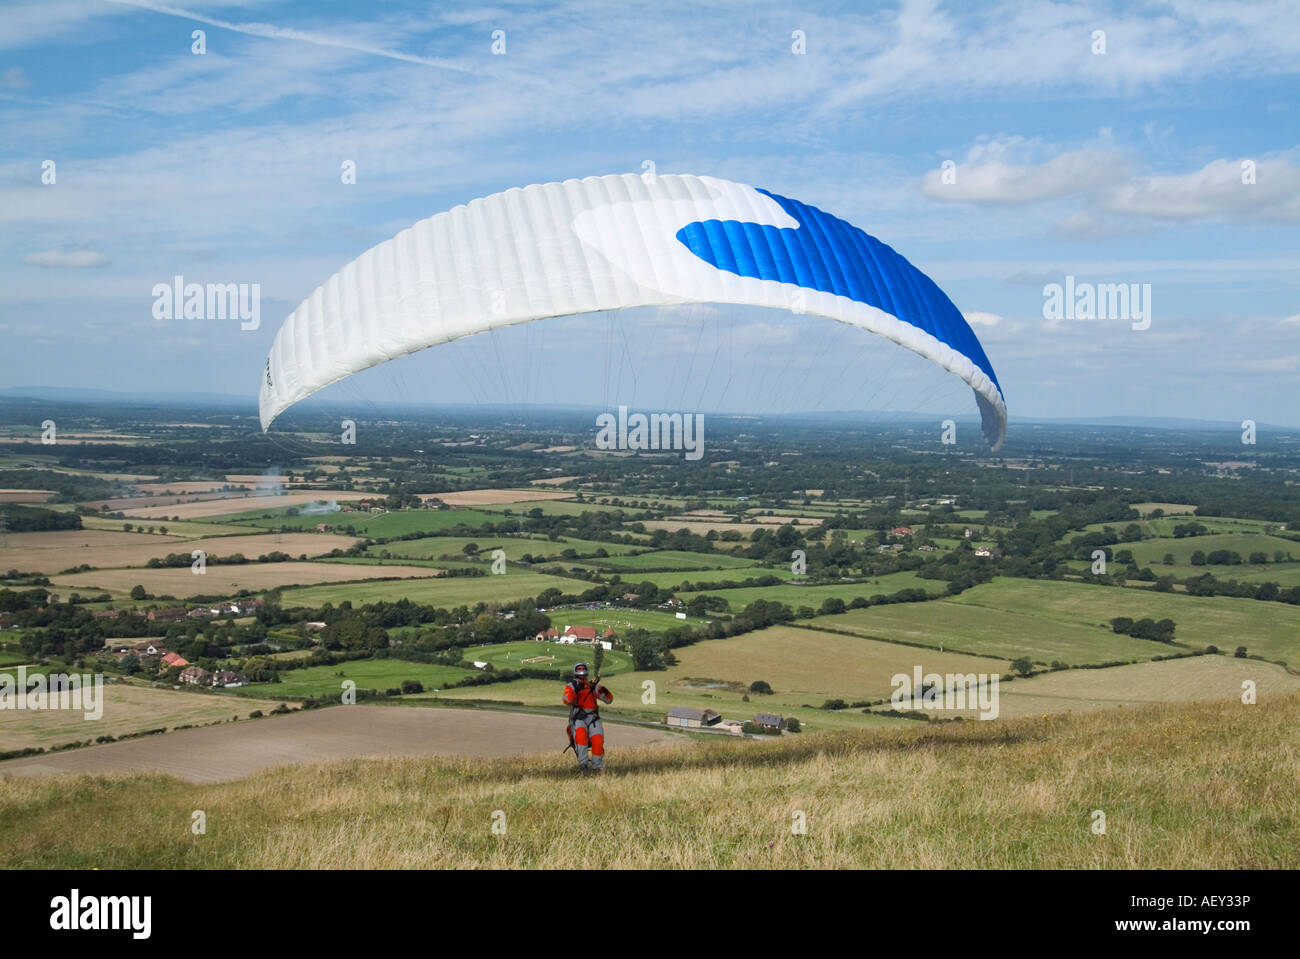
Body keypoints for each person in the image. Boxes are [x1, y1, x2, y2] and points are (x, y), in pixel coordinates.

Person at [563, 662, 612, 773]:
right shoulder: (571, 686)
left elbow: (609, 699)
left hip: (593, 718)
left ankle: (597, 767)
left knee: (598, 740)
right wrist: (576, 690)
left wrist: (602, 690)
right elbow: (566, 700)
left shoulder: (592, 686)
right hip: (578, 718)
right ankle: (583, 766)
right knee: (581, 739)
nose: (582, 678)